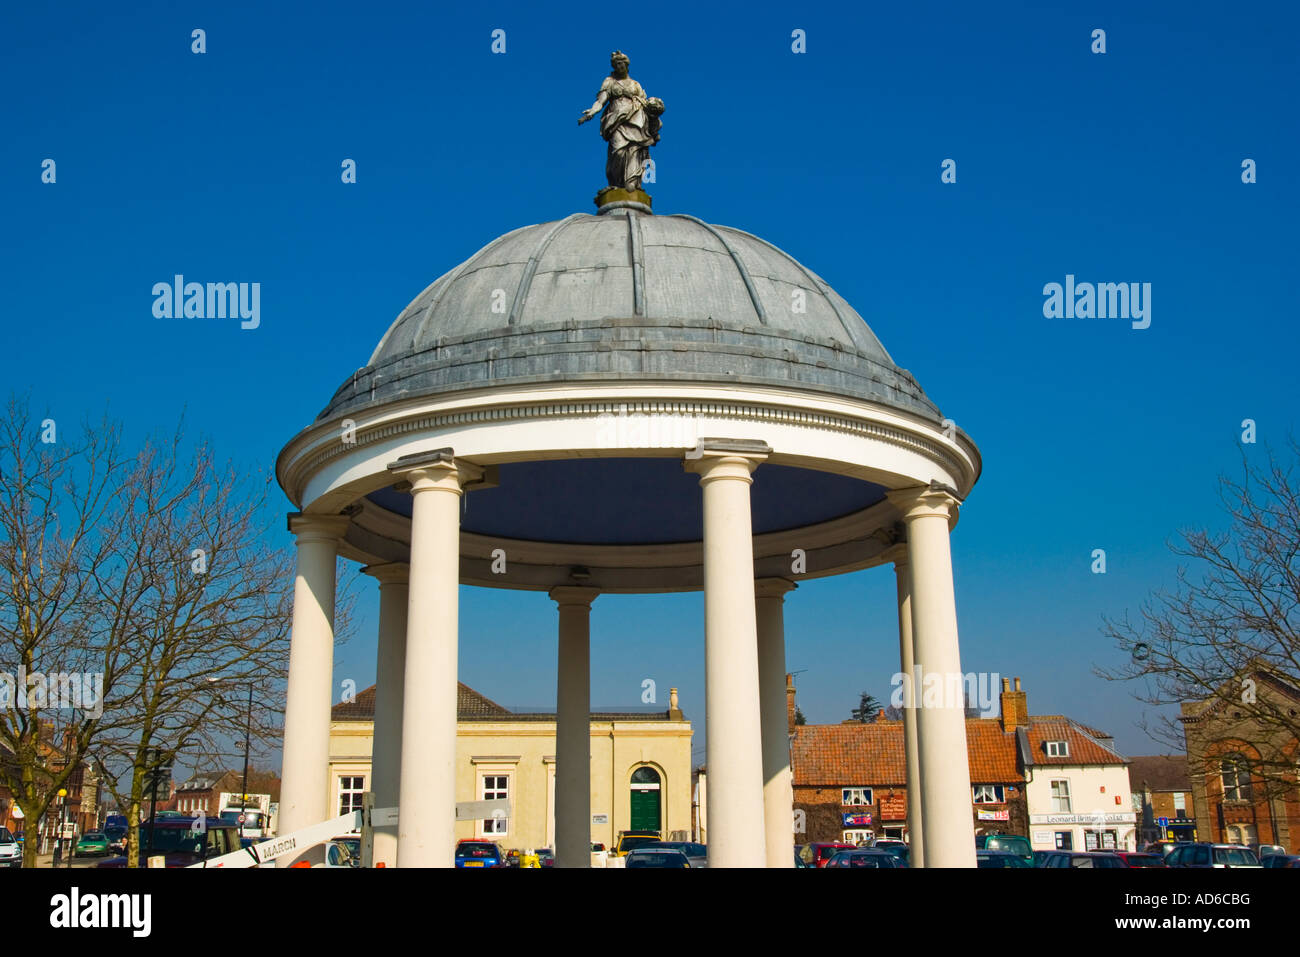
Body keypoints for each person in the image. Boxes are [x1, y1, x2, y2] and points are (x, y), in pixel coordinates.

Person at [578, 50, 664, 192]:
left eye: (621, 64)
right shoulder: (609, 82)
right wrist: (592, 111)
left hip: (637, 118)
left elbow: (645, 103)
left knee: (635, 150)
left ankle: (631, 183)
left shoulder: (635, 84)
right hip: (617, 120)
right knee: (617, 151)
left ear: (626, 65)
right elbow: (601, 101)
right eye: (616, 64)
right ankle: (616, 183)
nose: (619, 66)